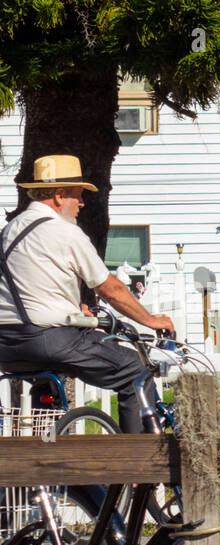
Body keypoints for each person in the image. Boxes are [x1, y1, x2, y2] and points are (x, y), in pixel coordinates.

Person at [0, 154, 173, 432]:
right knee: (134, 371)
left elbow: (29, 284)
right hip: (51, 340)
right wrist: (151, 320)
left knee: (46, 381)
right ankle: (137, 459)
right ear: (59, 195)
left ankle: (46, 451)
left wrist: (72, 307)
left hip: (7, 344)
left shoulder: (9, 231)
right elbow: (110, 289)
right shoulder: (65, 232)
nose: (82, 203)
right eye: (78, 195)